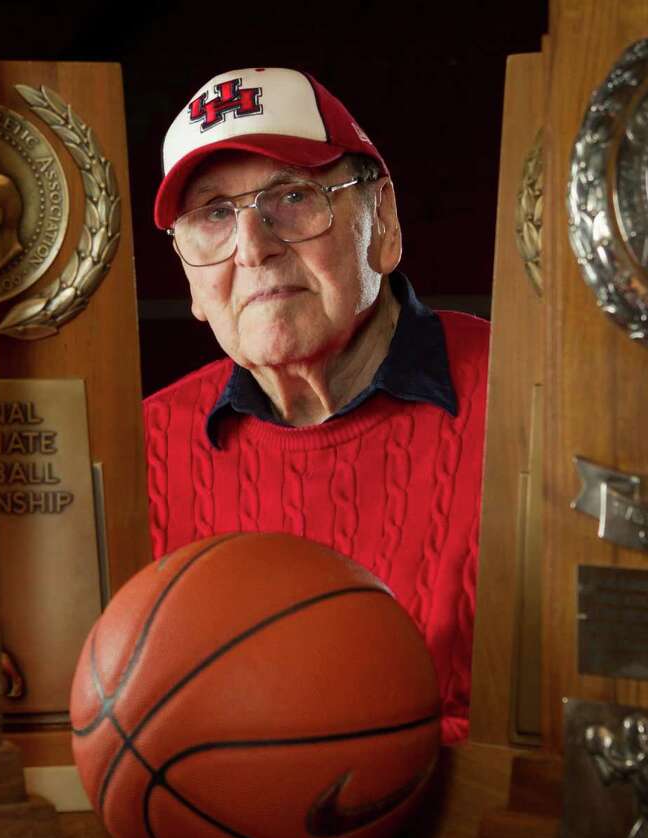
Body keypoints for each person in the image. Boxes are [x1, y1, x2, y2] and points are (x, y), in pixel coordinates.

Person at [143, 68, 487, 743]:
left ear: (383, 221)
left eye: (293, 197)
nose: (254, 248)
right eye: (214, 215)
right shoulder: (136, 451)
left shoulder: (528, 407)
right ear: (187, 271)